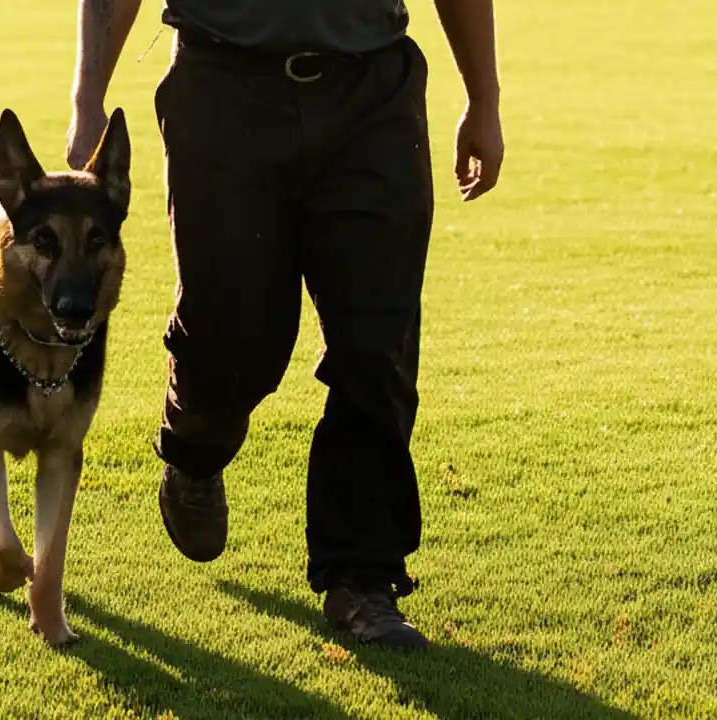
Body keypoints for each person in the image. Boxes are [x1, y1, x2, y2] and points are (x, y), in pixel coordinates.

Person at [66, 0, 503, 649]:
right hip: (222, 89)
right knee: (232, 330)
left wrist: (483, 98)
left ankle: (362, 575)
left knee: (376, 340)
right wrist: (88, 100)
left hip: (372, 94)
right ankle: (196, 445)